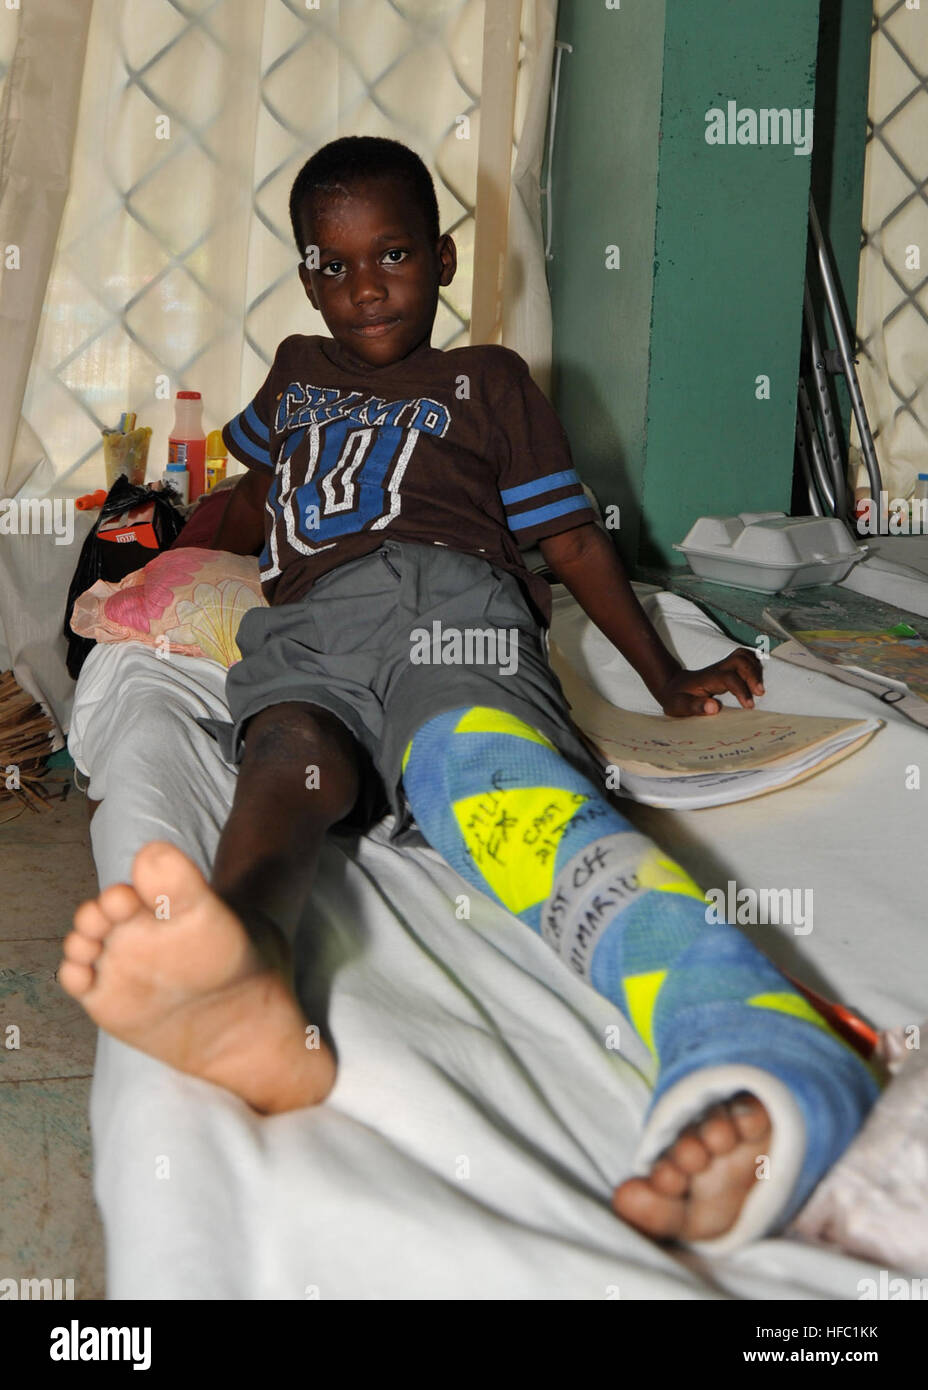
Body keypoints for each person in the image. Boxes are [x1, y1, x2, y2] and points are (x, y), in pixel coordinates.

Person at [60, 136, 877, 1252]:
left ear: (443, 259)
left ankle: (742, 1030)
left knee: (485, 770)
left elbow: (571, 541)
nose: (365, 285)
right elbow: (253, 494)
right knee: (287, 758)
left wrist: (669, 677)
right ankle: (249, 967)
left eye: (393, 253)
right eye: (334, 264)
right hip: (309, 621)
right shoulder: (296, 371)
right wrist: (169, 553)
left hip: (452, 600)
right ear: (305, 279)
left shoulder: (486, 381)